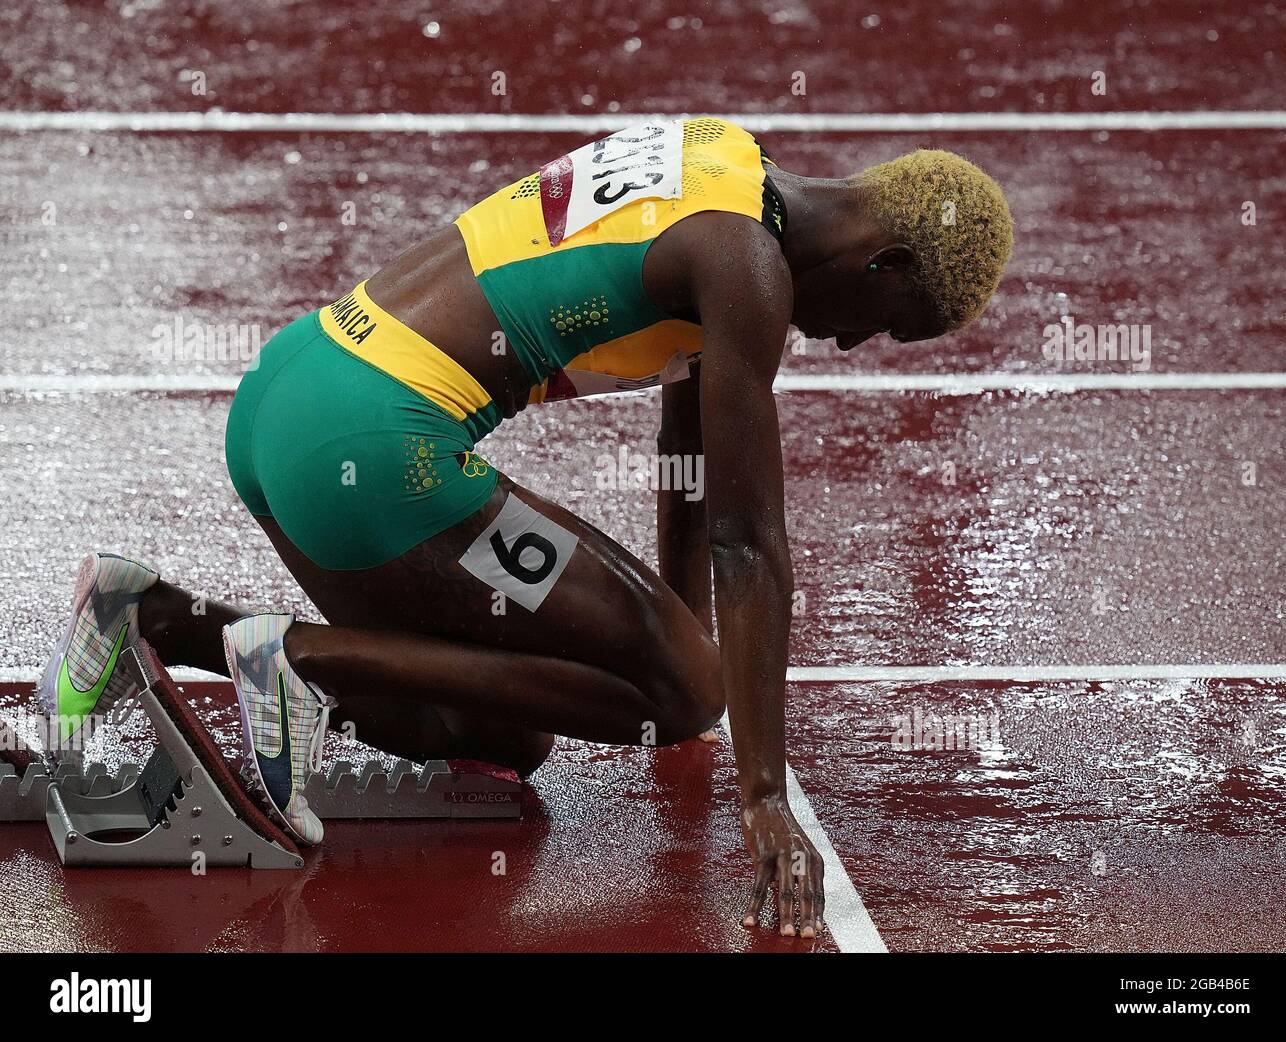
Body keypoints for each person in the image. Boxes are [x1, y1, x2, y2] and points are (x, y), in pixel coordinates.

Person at [39, 117, 1012, 937]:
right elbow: (748, 540)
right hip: (378, 442)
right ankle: (292, 656)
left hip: (290, 396)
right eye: (885, 324)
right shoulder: (748, 269)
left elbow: (689, 461)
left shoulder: (723, 162)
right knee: (685, 689)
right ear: (885, 258)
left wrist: (666, 637)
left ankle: (161, 616)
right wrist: (757, 792)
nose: (848, 343)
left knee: (500, 738)